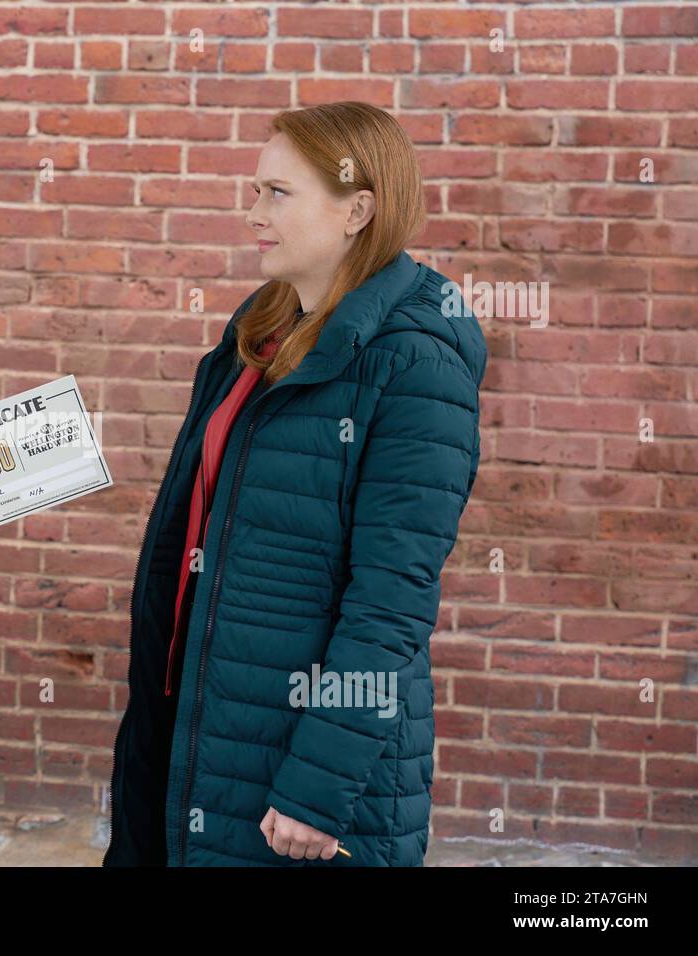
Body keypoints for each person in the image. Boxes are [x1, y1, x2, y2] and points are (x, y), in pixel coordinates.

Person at [104, 101, 487, 867]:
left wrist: (318, 788)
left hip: (306, 765)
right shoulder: (264, 327)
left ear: (358, 209)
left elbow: (392, 602)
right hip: (205, 723)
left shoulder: (414, 364)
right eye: (255, 191)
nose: (254, 212)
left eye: (277, 194)